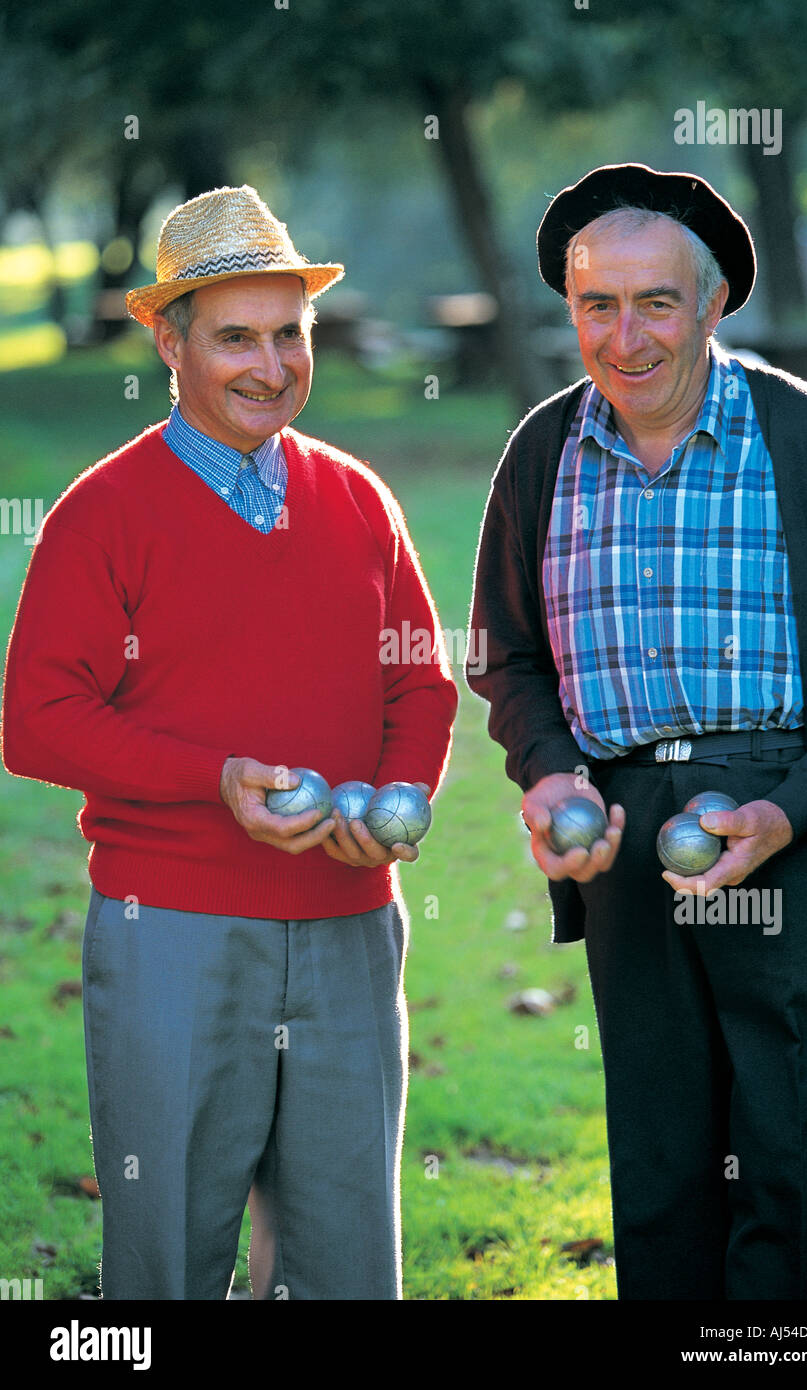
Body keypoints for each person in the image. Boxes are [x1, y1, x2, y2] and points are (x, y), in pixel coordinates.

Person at [2, 183, 458, 1300]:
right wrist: (215, 781)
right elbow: (36, 719)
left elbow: (421, 679)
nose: (270, 366)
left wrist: (394, 803)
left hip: (350, 930)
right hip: (174, 929)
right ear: (168, 340)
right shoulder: (102, 512)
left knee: (348, 1258)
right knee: (166, 1256)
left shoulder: (356, 496)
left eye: (288, 334)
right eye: (235, 339)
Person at [467, 162, 807, 1301]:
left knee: (795, 1164)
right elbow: (505, 654)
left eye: (655, 302)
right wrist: (548, 777)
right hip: (623, 848)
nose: (624, 334)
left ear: (710, 305)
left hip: (791, 832)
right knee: (657, 1167)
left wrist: (785, 809)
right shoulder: (543, 453)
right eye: (597, 304)